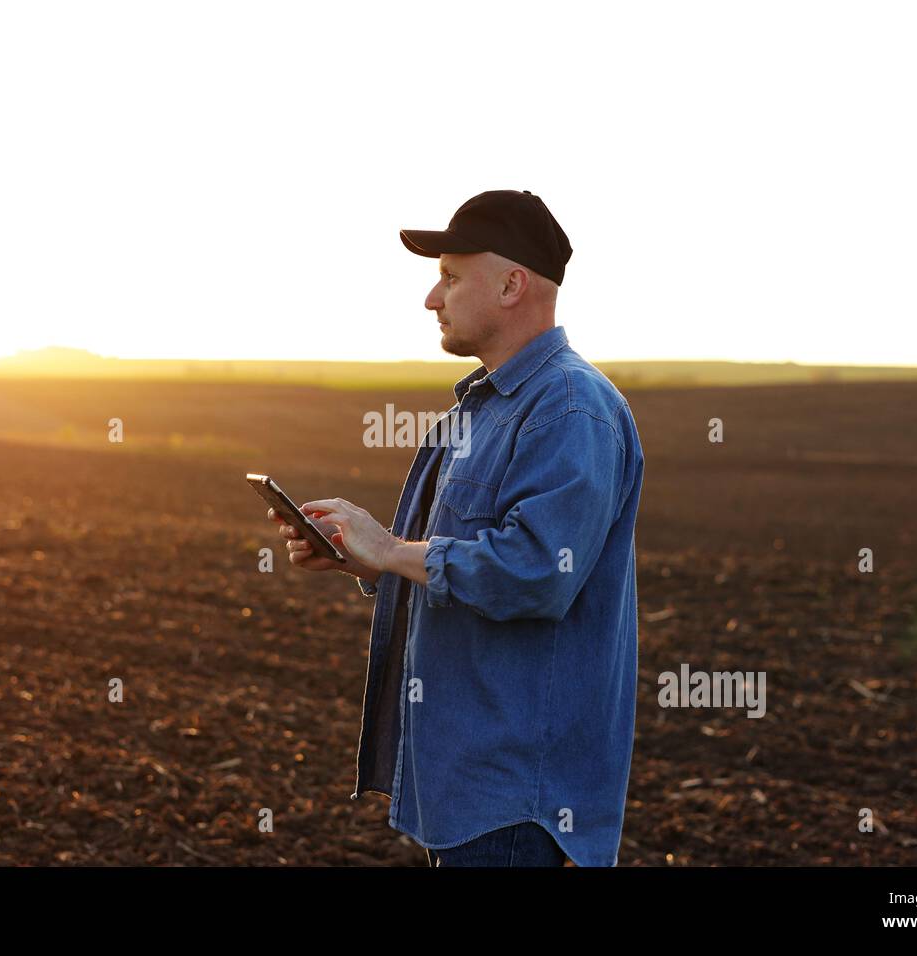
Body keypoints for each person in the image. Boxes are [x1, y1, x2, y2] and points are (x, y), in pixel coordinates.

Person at [266, 190, 644, 867]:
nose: (431, 299)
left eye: (449, 277)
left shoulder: (568, 408)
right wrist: (371, 560)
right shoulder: (487, 405)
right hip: (472, 790)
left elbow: (536, 571)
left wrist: (389, 550)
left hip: (519, 800)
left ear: (510, 285)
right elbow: (462, 562)